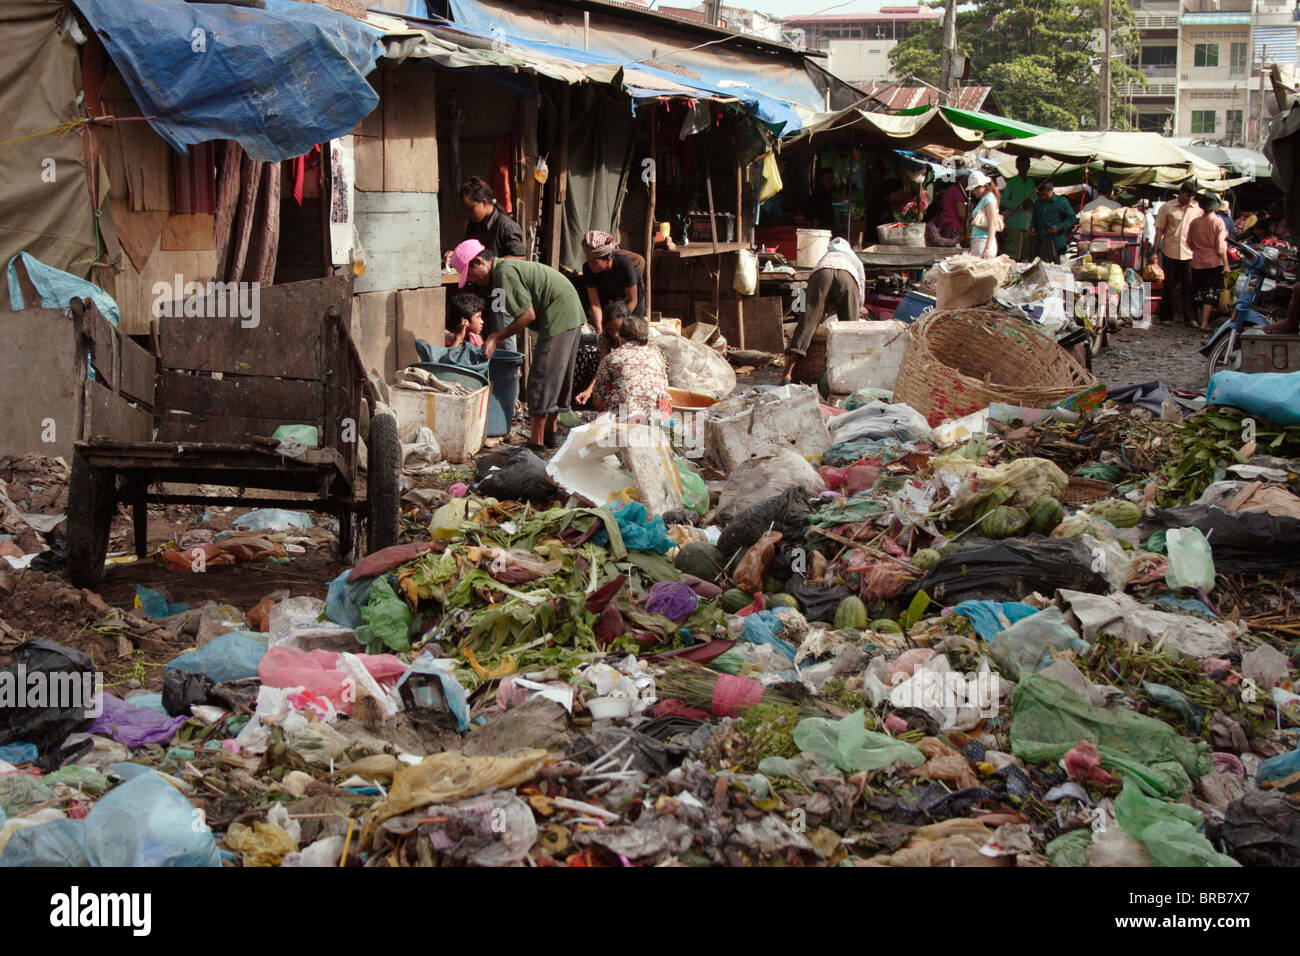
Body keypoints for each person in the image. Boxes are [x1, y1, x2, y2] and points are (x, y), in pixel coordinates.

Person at [451, 239, 585, 453]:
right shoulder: (504, 270)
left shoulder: (504, 272)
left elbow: (527, 315)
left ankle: (536, 444)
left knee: (542, 377)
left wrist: (495, 337)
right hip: (571, 312)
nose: (474, 281)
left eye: (473, 274)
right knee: (556, 378)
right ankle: (550, 435)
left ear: (480, 261)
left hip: (560, 314)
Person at [782, 236, 866, 385]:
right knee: (850, 329)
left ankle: (787, 374)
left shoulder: (826, 257)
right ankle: (847, 377)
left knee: (807, 324)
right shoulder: (855, 260)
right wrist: (858, 306)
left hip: (822, 274)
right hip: (847, 277)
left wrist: (820, 310)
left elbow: (818, 291)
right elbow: (860, 284)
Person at [588, 312, 671, 423]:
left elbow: (597, 400)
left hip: (625, 419)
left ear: (621, 337)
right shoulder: (658, 356)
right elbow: (664, 390)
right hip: (658, 417)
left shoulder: (612, 358)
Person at [1153, 181, 1202, 326]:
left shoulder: (1197, 209)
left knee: (1188, 285)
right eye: (1187, 195)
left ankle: (1189, 317)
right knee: (1169, 284)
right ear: (1181, 193)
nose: (1189, 199)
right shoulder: (1167, 207)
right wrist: (1154, 252)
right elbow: (1159, 231)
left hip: (1189, 252)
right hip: (1170, 251)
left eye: (1192, 196)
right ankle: (1166, 316)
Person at [580, 230, 645, 332]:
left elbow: (632, 301)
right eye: (588, 261)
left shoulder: (624, 265)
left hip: (626, 301)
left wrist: (618, 325)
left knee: (630, 330)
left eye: (595, 262)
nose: (590, 265)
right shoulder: (587, 269)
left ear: (608, 260)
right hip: (607, 296)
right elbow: (595, 303)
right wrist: (600, 330)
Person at [1188, 193, 1229, 332]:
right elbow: (1220, 246)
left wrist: (1199, 250)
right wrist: (1226, 264)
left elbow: (1189, 243)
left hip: (1197, 261)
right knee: (1210, 292)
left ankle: (1200, 320)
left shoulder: (1194, 222)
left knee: (1199, 291)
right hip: (1213, 262)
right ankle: (1205, 323)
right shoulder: (1218, 222)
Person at [461, 176, 525, 258]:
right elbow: (466, 250)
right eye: (465, 209)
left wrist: (492, 264)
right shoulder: (472, 226)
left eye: (470, 209)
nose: (467, 213)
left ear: (484, 203)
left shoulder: (506, 226)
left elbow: (519, 257)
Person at [1029, 181, 1077, 262]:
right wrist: (1033, 227)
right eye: (1041, 195)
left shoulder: (1061, 201)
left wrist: (1059, 227)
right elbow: (1035, 219)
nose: (1043, 197)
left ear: (1051, 191)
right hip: (1041, 242)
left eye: (1045, 195)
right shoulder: (1038, 202)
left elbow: (1072, 218)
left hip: (1057, 243)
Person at [1000, 156, 1036, 260]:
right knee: (1013, 255)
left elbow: (1035, 198)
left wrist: (1032, 202)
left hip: (1027, 224)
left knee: (1025, 256)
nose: (1023, 168)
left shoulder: (1030, 183)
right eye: (1021, 165)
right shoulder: (1012, 183)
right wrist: (1020, 205)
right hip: (1014, 224)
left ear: (1029, 166)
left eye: (1026, 165)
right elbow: (1003, 201)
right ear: (1017, 166)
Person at [967, 170, 1000, 259]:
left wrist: (987, 248)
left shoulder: (989, 199)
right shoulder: (984, 199)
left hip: (984, 242)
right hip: (978, 242)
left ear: (982, 186)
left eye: (974, 188)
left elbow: (992, 224)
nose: (973, 191)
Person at [801, 167, 838, 233]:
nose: (830, 181)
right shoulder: (816, 197)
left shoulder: (827, 196)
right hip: (820, 233)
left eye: (832, 179)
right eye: (828, 178)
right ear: (820, 180)